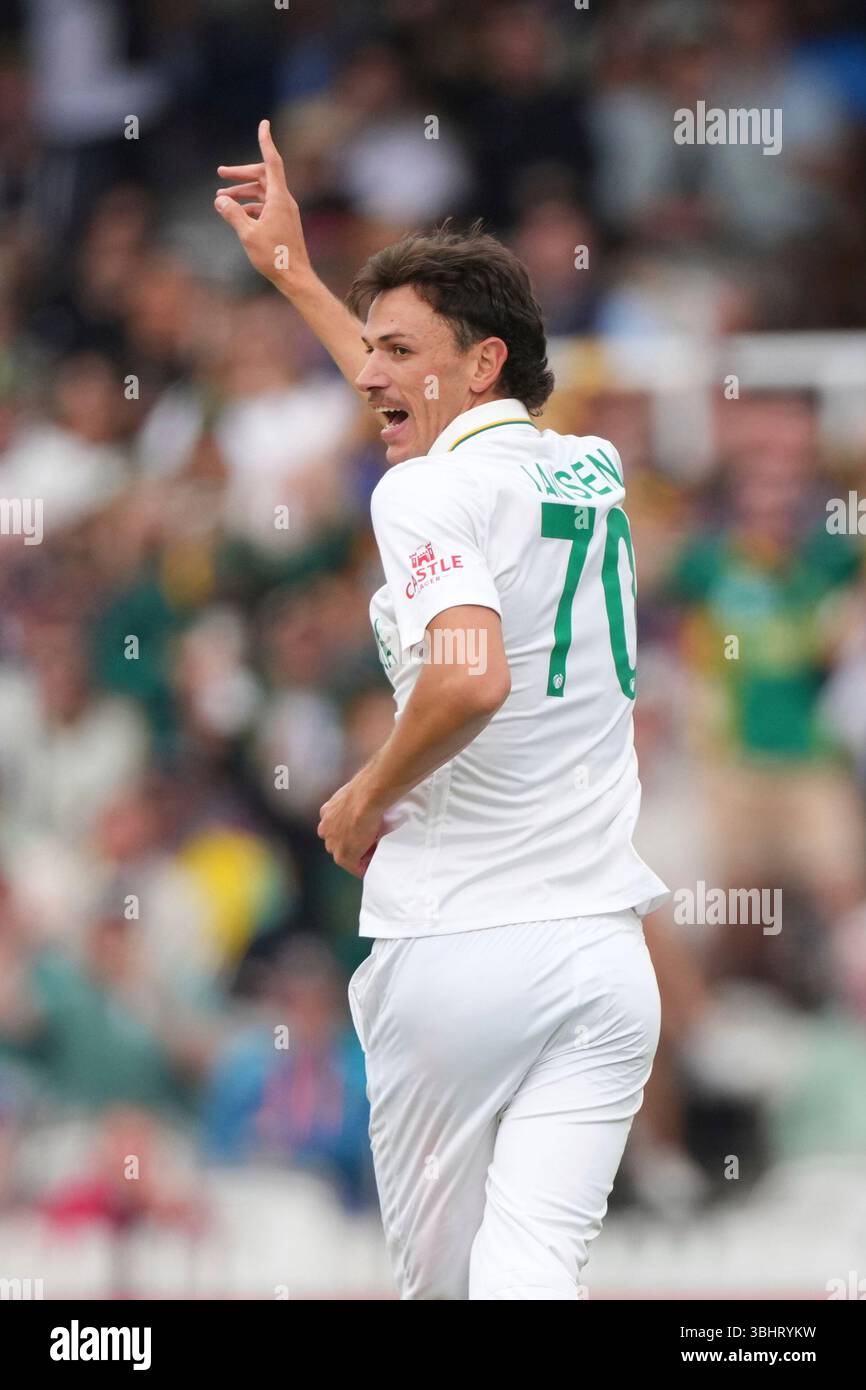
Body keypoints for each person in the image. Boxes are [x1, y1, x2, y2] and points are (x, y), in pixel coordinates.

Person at [214, 120, 667, 1301]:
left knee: (443, 1292)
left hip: (459, 949)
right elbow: (421, 414)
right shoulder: (592, 469)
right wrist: (297, 278)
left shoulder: (423, 497)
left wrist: (364, 792)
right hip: (603, 962)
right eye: (367, 350)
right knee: (529, 1273)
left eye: (396, 350)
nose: (367, 374)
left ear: (480, 364)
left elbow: (468, 676)